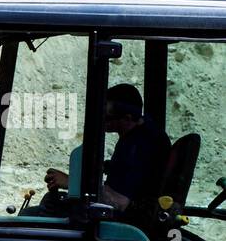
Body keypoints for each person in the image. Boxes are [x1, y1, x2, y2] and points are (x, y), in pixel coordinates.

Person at [44, 83, 170, 213]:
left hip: (127, 220)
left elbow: (119, 202)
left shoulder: (138, 145)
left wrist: (72, 183)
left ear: (127, 118)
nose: (100, 120)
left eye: (107, 117)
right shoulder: (142, 133)